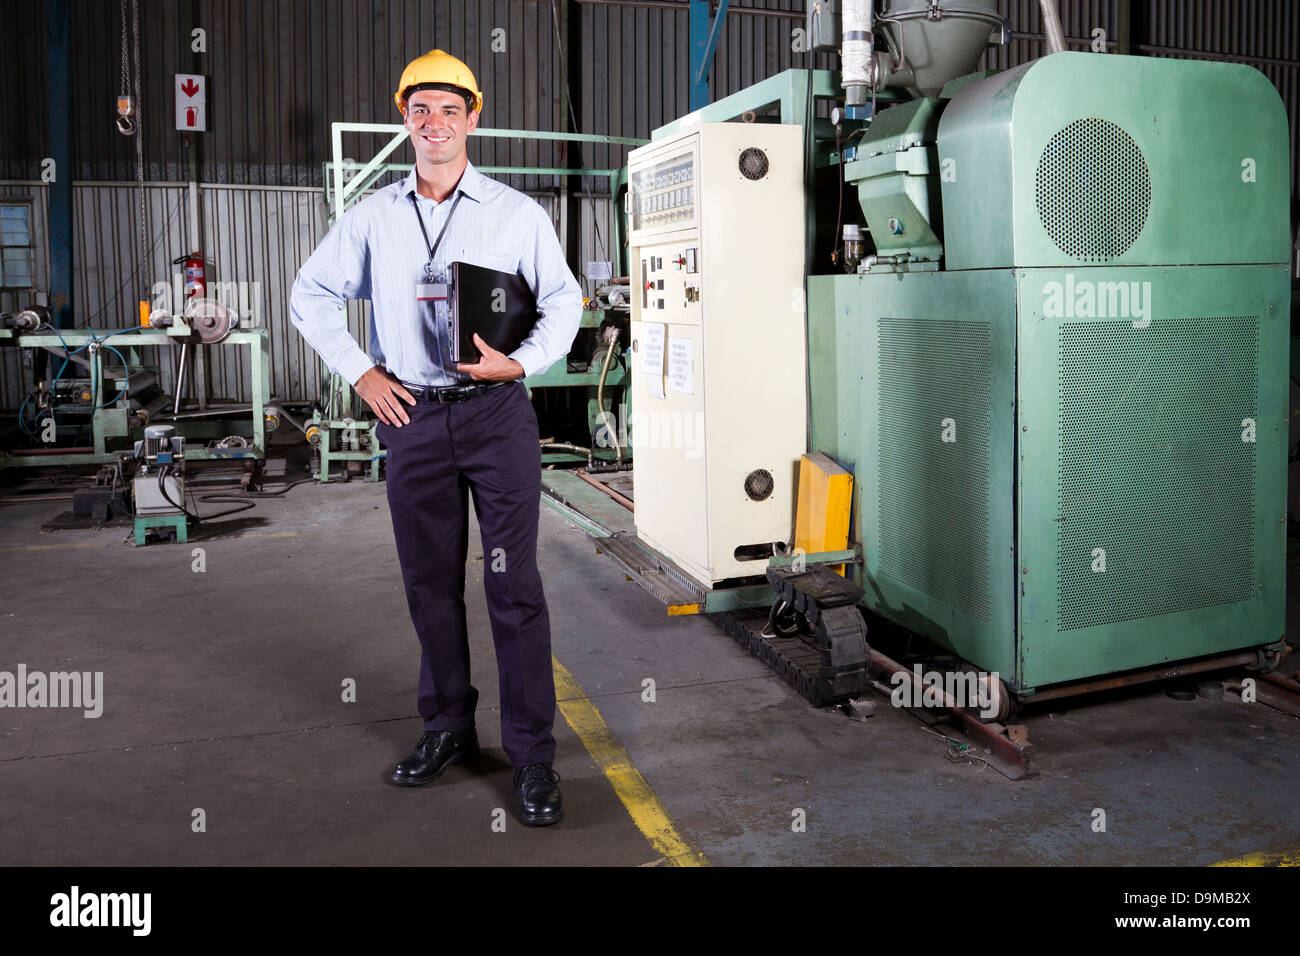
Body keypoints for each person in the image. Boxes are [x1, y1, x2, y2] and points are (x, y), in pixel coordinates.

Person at [289, 49, 582, 826]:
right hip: (411, 418)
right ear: (404, 121)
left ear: (473, 119)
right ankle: (448, 727)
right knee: (430, 584)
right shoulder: (374, 217)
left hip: (495, 416)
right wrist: (359, 372)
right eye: (420, 110)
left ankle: (532, 756)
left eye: (450, 109)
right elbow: (309, 293)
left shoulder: (516, 214)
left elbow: (565, 302)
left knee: (512, 586)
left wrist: (518, 362)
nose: (434, 123)